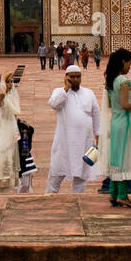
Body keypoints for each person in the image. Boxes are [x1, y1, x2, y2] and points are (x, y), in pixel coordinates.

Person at [45, 65, 100, 193]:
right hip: (65, 142)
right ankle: (48, 198)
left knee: (81, 175)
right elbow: (53, 104)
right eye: (72, 77)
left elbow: (96, 114)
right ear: (66, 77)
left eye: (78, 76)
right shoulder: (60, 92)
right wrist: (66, 88)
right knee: (56, 173)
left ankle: (79, 201)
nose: (76, 80)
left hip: (84, 141)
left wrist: (98, 135)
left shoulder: (89, 93)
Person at [104, 49, 131, 206]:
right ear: (123, 62)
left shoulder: (111, 80)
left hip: (116, 121)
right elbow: (125, 105)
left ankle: (113, 192)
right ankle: (122, 195)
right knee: (127, 158)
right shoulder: (124, 81)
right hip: (127, 122)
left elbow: (111, 104)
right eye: (129, 62)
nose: (130, 66)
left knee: (117, 158)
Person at [0, 73, 24, 191]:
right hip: (3, 136)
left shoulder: (10, 98)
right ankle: (2, 191)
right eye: (7, 82)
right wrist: (2, 79)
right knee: (3, 161)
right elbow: (2, 94)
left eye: (11, 82)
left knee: (11, 163)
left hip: (11, 135)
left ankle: (10, 188)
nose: (10, 84)